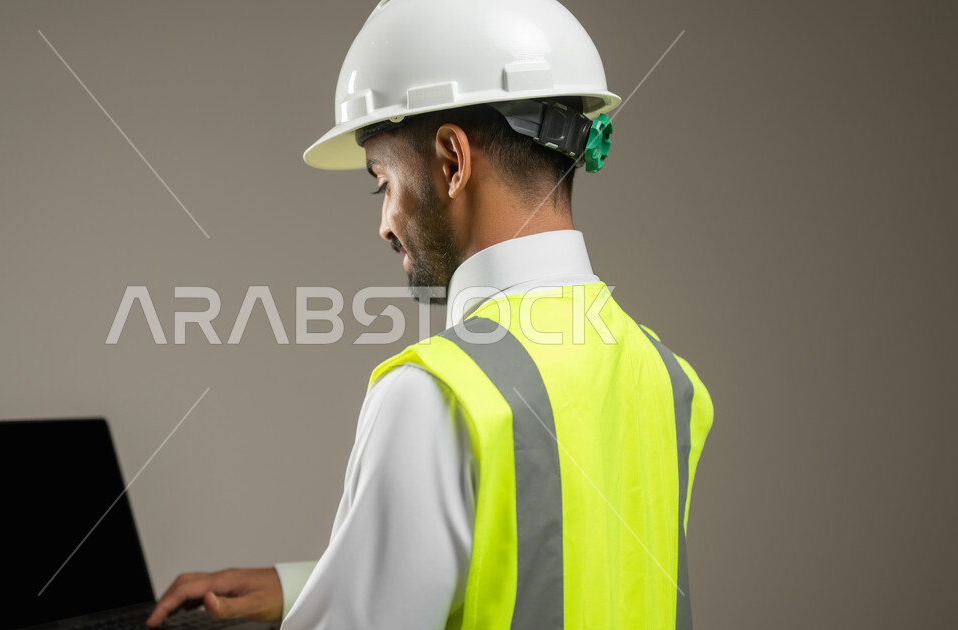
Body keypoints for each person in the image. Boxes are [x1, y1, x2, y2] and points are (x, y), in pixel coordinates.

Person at [147, 1, 713, 628]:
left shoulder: (434, 395)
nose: (384, 224)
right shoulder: (667, 378)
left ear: (452, 161)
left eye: (382, 181)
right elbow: (573, 569)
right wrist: (313, 582)